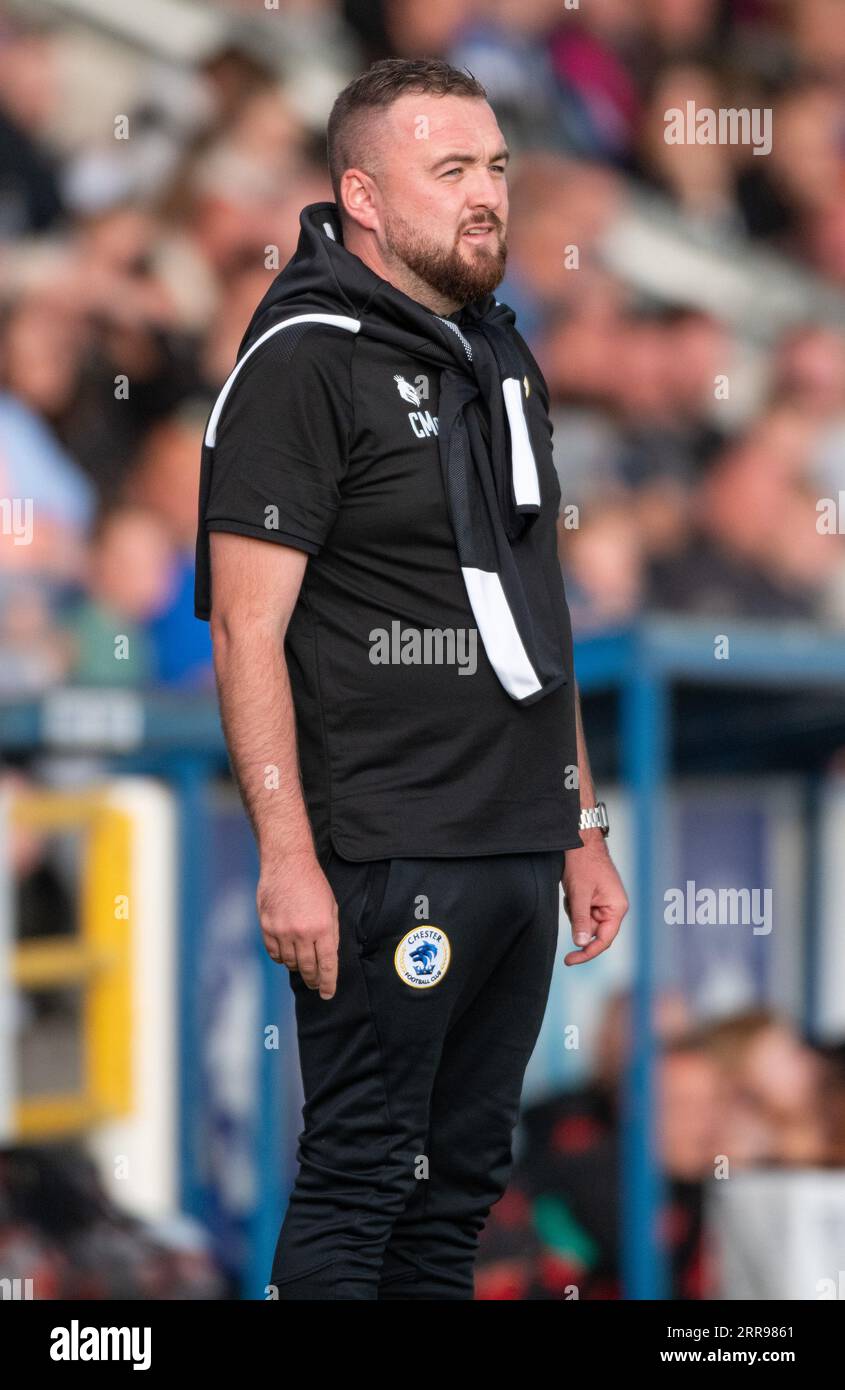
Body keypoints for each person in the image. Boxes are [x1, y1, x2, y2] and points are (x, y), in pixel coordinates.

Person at [194, 56, 628, 1301]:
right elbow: (244, 630)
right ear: (364, 196)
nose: (486, 194)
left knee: (459, 1194)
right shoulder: (302, 358)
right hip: (384, 845)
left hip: (513, 838)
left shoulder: (499, 354)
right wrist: (287, 854)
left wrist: (578, 821)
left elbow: (532, 615)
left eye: (494, 167)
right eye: (450, 172)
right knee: (362, 1173)